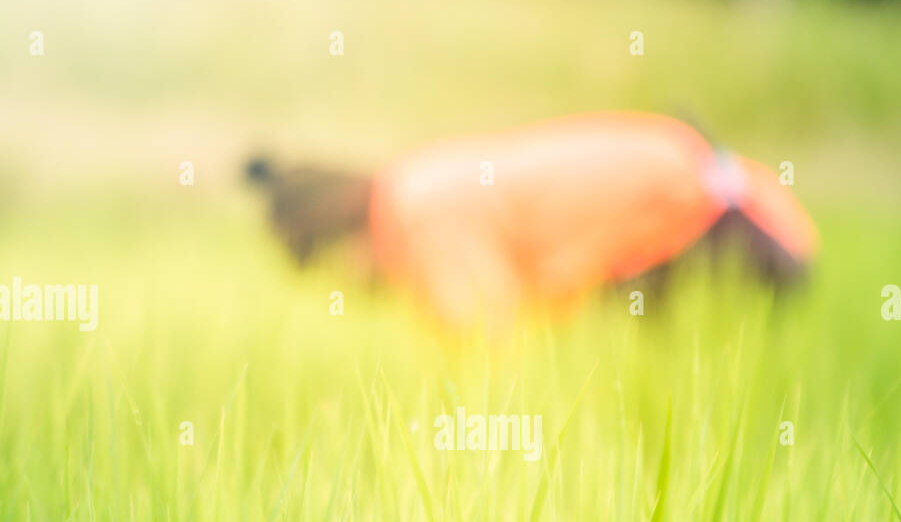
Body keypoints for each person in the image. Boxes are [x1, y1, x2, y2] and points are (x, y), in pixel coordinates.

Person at [246, 111, 817, 324]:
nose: (350, 287)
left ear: (342, 241)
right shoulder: (412, 183)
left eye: (334, 273)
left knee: (703, 360)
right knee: (656, 359)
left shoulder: (417, 216)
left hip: (678, 205)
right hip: (677, 176)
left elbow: (485, 326)